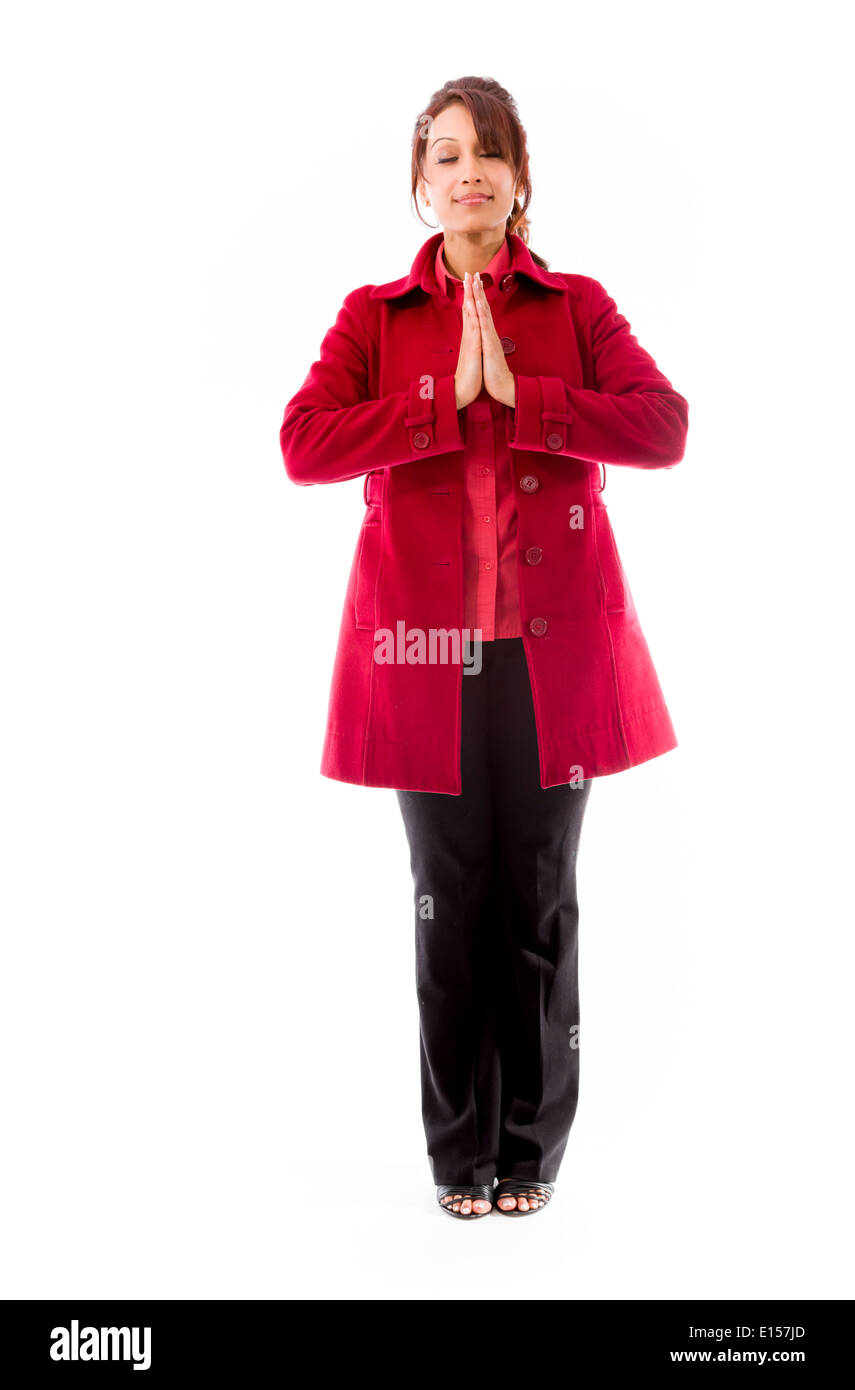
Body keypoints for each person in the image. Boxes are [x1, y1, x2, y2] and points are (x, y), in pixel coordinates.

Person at [280, 76, 689, 1220]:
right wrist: (443, 401)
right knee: (446, 899)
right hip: (422, 657)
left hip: (552, 660)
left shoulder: (577, 304)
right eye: (445, 155)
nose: (468, 172)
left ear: (519, 179)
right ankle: (457, 1155)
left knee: (540, 898)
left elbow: (666, 425)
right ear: (419, 185)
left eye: (488, 153)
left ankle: (533, 1153)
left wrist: (532, 394)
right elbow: (303, 444)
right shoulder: (375, 316)